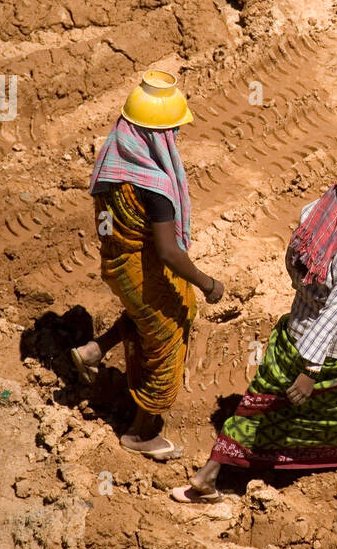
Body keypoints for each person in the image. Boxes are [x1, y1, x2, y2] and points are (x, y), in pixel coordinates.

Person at [171, 139, 337, 503]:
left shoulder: (313, 213)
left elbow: (294, 264)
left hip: (295, 331)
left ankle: (210, 475)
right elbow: (335, 312)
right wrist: (311, 371)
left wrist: (307, 296)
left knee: (261, 406)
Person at [71, 69, 224, 461]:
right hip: (141, 267)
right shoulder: (155, 189)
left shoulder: (116, 158)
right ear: (159, 136)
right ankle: (140, 433)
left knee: (156, 311)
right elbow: (170, 252)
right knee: (168, 333)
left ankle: (95, 349)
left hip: (117, 262)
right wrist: (208, 284)